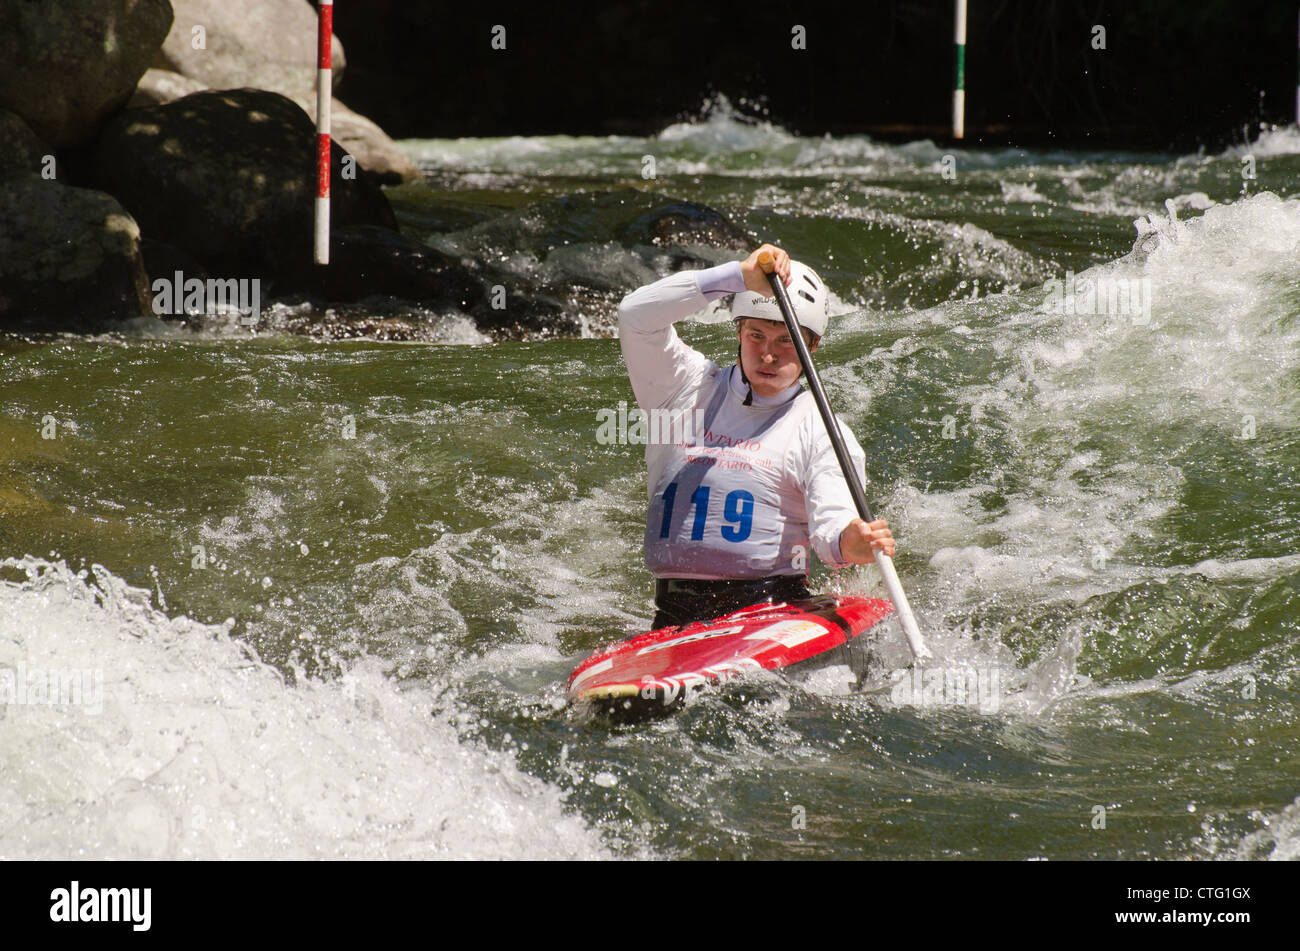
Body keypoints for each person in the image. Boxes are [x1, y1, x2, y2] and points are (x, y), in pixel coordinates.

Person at [618, 243, 896, 630]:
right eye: (756, 335)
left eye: (786, 340)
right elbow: (635, 316)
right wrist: (735, 276)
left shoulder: (821, 429)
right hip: (673, 614)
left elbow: (833, 524)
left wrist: (853, 541)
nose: (768, 355)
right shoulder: (682, 387)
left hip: (770, 611)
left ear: (811, 345)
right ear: (738, 331)